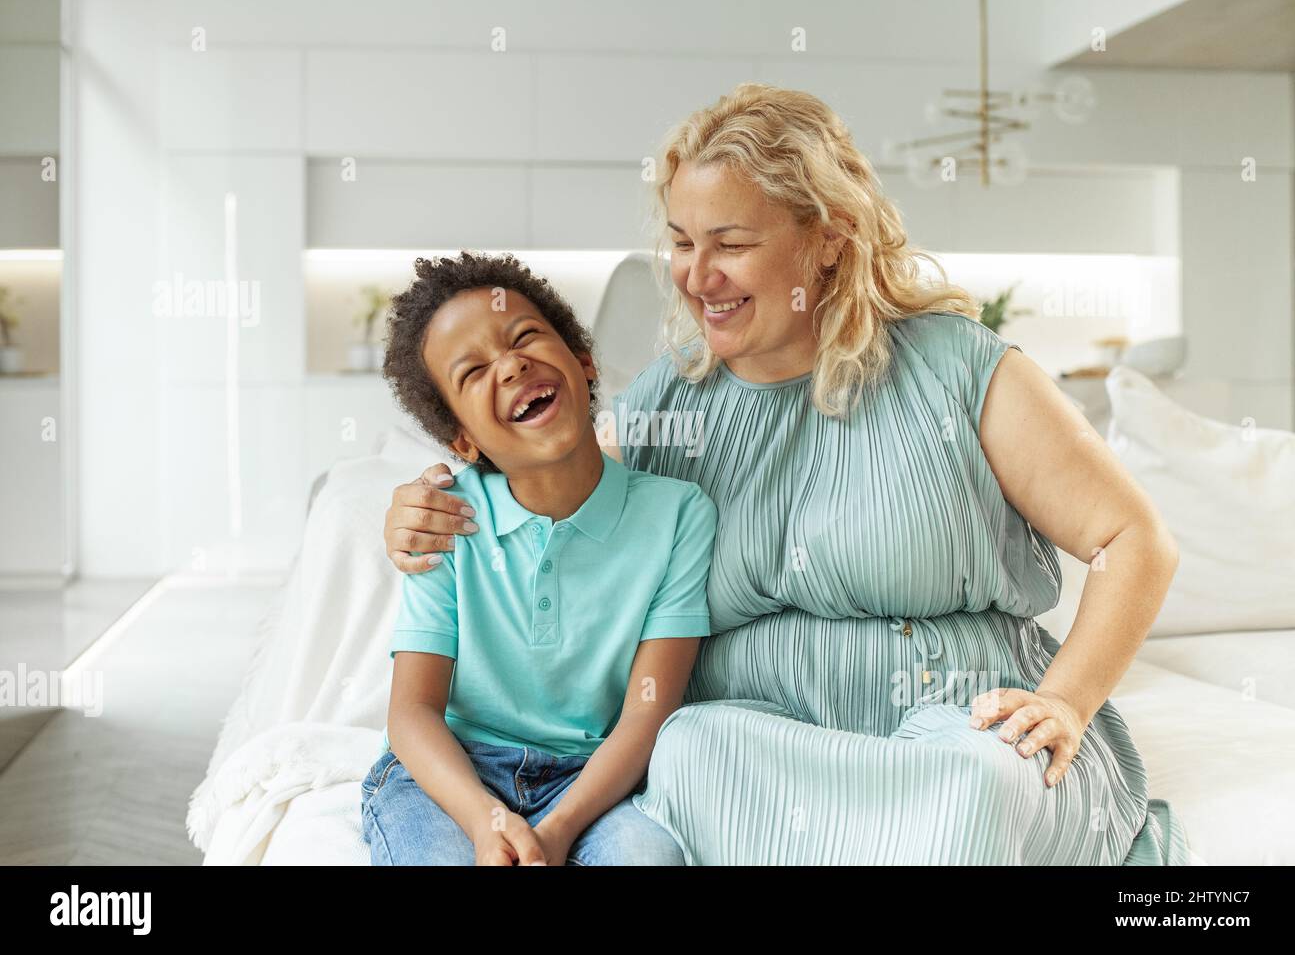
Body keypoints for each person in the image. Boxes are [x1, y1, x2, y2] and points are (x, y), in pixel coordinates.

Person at [380, 84, 1192, 864]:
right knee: (687, 752)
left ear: (828, 236)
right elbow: (560, 494)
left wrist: (1066, 701)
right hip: (755, 743)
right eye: (682, 242)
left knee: (970, 782)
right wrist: (421, 509)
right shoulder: (671, 396)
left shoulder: (959, 369)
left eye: (731, 244)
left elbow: (1135, 539)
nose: (697, 277)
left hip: (958, 727)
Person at [362, 251, 718, 865]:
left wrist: (556, 831)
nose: (511, 365)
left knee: (647, 857)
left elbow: (646, 711)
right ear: (463, 440)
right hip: (455, 775)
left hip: (592, 778)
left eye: (524, 336)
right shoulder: (447, 516)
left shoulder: (678, 516)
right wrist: (485, 821)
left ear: (582, 363)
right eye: (472, 371)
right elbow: (413, 712)